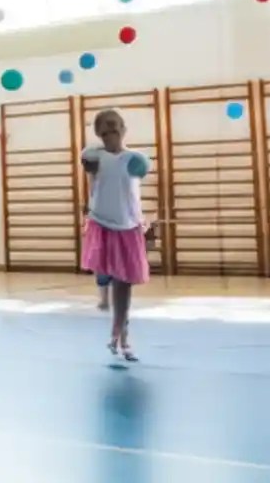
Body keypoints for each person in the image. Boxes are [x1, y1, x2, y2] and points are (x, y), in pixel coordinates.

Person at [79, 109, 156, 362]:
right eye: (105, 127)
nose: (111, 130)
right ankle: (117, 331)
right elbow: (87, 161)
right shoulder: (94, 156)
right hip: (102, 224)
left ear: (124, 129)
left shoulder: (134, 158)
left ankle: (120, 335)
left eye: (115, 125)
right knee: (108, 278)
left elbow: (142, 168)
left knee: (124, 286)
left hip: (128, 226)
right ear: (99, 133)